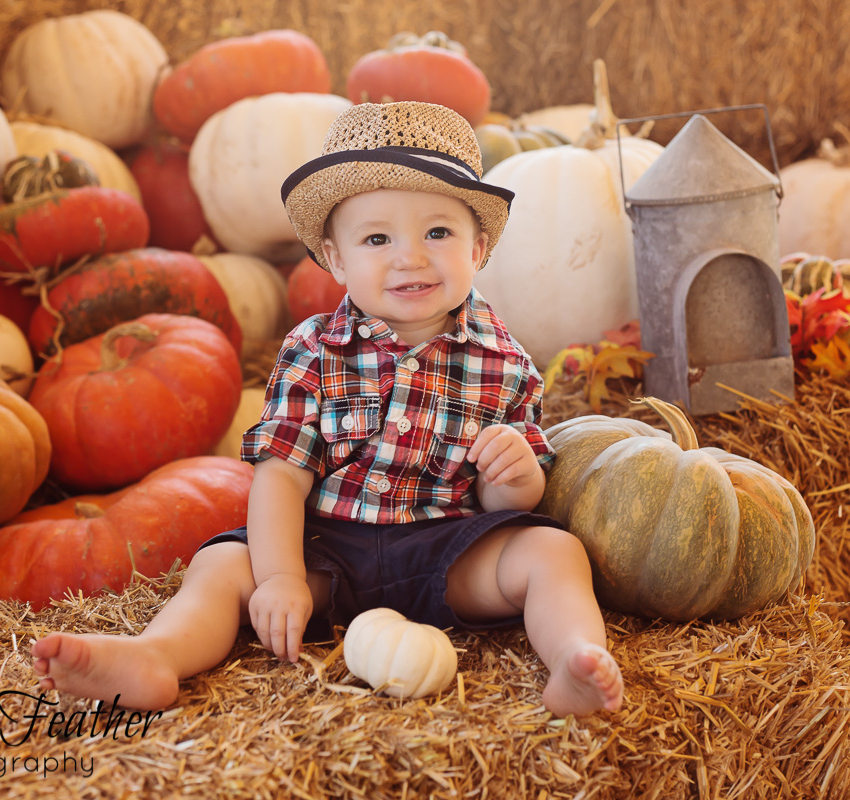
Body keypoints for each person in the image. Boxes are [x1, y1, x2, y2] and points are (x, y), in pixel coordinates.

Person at [31, 101, 624, 718]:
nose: (410, 257)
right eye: (377, 238)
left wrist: (515, 477)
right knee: (221, 565)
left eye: (438, 233)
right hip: (325, 554)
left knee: (553, 553)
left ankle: (574, 661)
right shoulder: (314, 351)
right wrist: (284, 576)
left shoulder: (506, 362)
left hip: (445, 556)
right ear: (335, 259)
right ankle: (155, 656)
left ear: (478, 247)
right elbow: (281, 476)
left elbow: (506, 506)